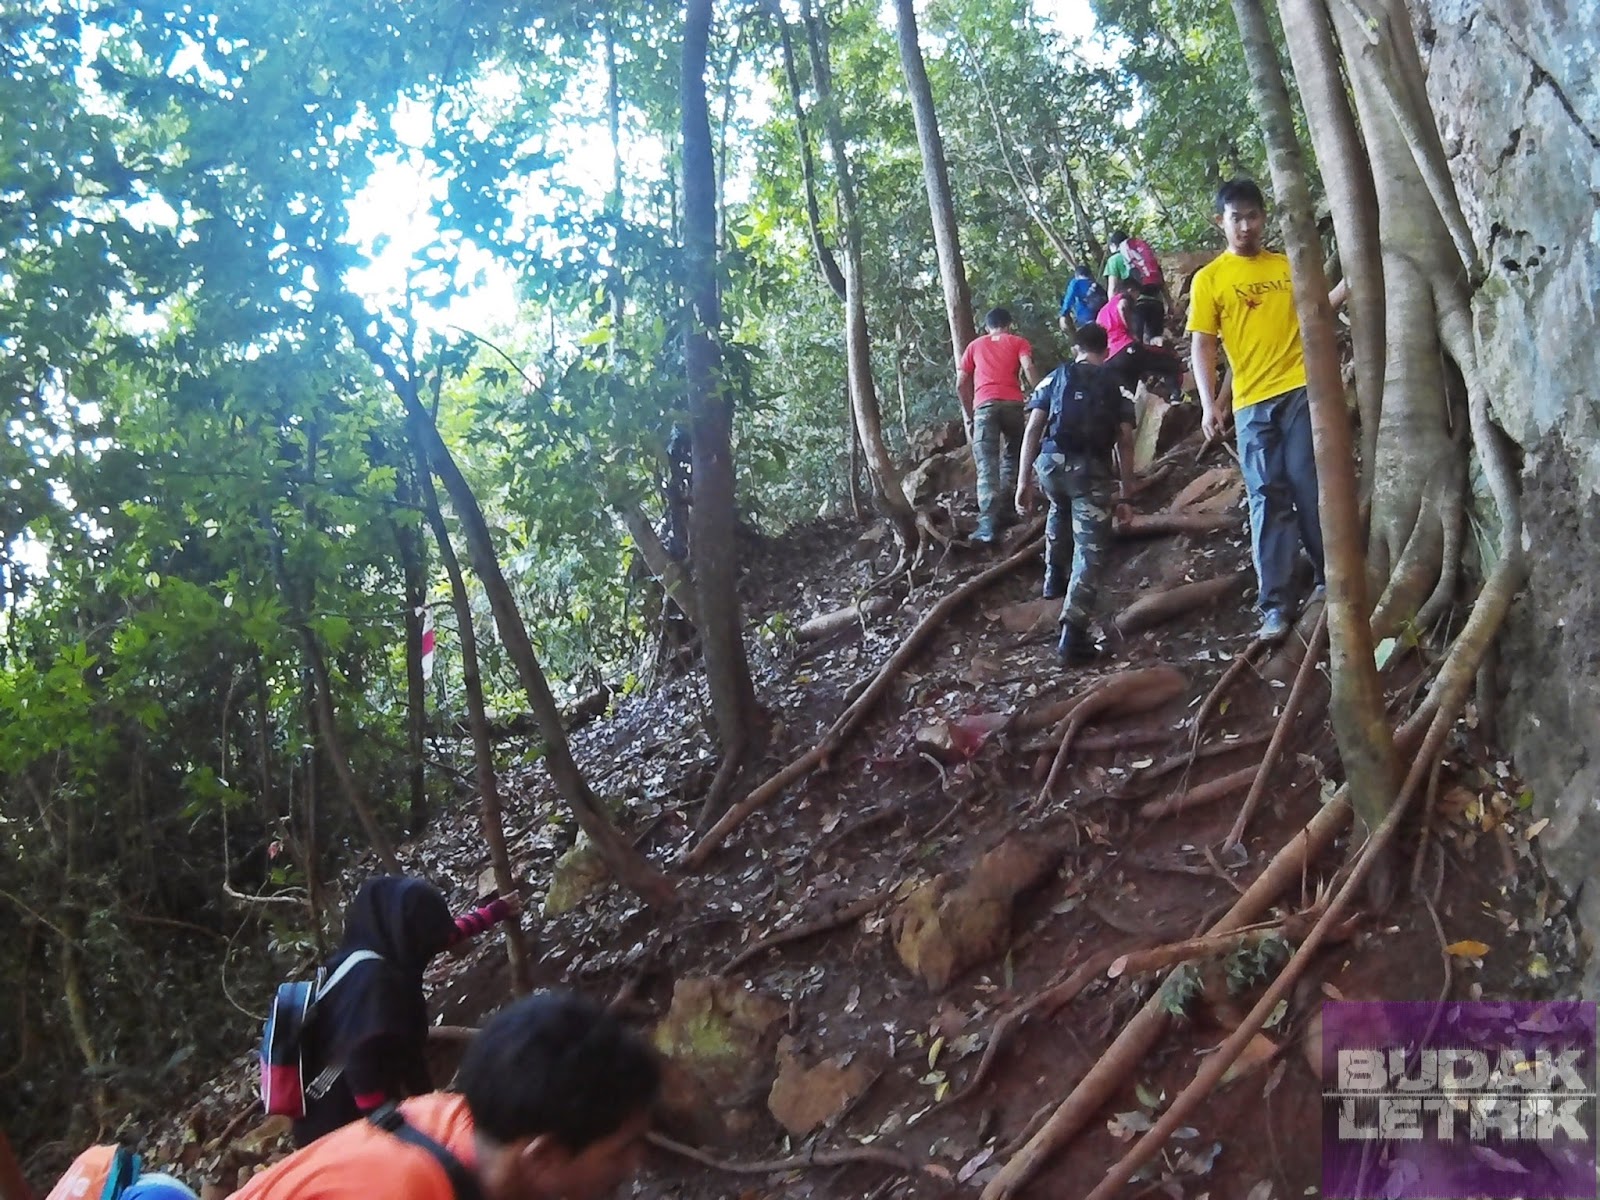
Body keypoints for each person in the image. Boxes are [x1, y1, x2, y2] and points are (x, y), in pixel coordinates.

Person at [231, 991, 659, 1200]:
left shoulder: (468, 1127)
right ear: (542, 1156)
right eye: (621, 1150)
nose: (634, 1163)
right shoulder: (402, 1189)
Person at [1189, 178, 1345, 642]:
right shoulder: (1210, 279)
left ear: (1263, 218)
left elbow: (1318, 311)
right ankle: (1275, 604)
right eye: (1236, 217)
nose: (1246, 226)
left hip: (1300, 390)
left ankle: (1329, 581)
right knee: (1267, 496)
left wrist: (1353, 281)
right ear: (1221, 222)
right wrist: (1207, 404)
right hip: (1252, 403)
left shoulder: (1286, 266)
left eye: (1253, 216)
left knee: (1307, 483)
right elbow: (1203, 345)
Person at [292, 876, 523, 1147]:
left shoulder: (361, 953)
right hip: (338, 1126)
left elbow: (439, 936)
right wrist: (403, 1135)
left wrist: (493, 912)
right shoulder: (375, 983)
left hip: (323, 1111)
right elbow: (362, 1069)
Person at [1016, 324, 1137, 665]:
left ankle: (1054, 578)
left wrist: (1023, 481)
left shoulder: (1055, 377)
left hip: (1051, 465)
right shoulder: (1117, 386)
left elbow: (1033, 429)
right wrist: (1127, 495)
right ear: (1107, 349)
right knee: (1091, 550)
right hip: (1090, 470)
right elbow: (1126, 442)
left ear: (1076, 348)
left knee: (1059, 505)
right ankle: (1073, 634)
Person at [957, 307, 1038, 544]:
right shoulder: (1018, 342)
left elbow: (961, 383)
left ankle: (987, 525)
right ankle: (1008, 507)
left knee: (987, 463)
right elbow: (1028, 367)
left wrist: (971, 411)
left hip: (984, 406)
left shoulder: (974, 346)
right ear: (1009, 324)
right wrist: (1040, 391)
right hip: (1013, 404)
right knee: (1014, 454)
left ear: (986, 327)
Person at [1098, 280, 1187, 400]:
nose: (1136, 299)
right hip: (1126, 348)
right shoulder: (1123, 297)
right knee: (1170, 364)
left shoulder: (1102, 312)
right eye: (1137, 295)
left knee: (1134, 393)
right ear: (1130, 290)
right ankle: (1176, 399)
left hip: (1110, 361)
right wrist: (1131, 331)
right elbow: (1123, 306)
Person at [1110, 229, 1171, 343]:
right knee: (1155, 339)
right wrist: (1170, 304)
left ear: (1114, 245)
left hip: (1135, 304)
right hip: (1156, 301)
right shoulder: (1144, 256)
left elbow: (1112, 288)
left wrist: (1113, 311)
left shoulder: (1115, 259)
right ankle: (1164, 357)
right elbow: (1161, 281)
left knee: (1136, 341)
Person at [1057, 263, 1107, 333]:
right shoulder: (1095, 285)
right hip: (1104, 317)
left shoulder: (1076, 282)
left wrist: (1063, 314)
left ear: (1077, 275)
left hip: (1087, 319)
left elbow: (1069, 298)